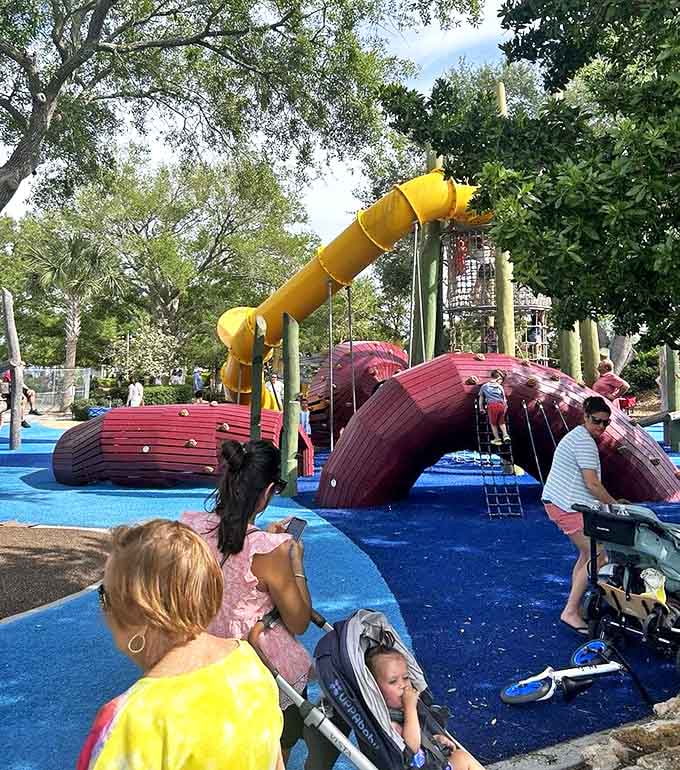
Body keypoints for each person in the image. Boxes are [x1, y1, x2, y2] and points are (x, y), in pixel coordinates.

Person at [77, 519, 284, 770]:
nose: (103, 609)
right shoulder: (251, 665)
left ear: (142, 611)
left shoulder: (131, 721)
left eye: (105, 596)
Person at [181, 440, 318, 764]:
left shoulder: (190, 525)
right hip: (257, 665)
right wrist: (294, 560)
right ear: (269, 490)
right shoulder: (273, 550)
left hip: (200, 654)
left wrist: (264, 536)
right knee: (276, 745)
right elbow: (299, 622)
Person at [541, 396, 620, 635]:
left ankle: (574, 605)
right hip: (568, 505)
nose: (601, 427)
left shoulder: (578, 436)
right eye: (597, 421)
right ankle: (571, 611)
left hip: (561, 503)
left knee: (587, 553)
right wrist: (616, 506)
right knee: (599, 555)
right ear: (585, 417)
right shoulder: (583, 442)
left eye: (606, 423)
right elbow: (592, 484)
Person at [365, 646, 484, 770]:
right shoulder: (390, 724)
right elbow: (412, 748)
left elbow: (419, 739)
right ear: (376, 689)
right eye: (393, 681)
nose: (403, 685)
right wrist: (410, 708)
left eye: (406, 678)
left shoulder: (402, 712)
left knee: (460, 756)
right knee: (463, 759)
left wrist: (434, 740)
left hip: (432, 765)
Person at [478, 370, 510, 446]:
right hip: (501, 405)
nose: (501, 382)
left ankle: (497, 439)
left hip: (492, 406)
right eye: (501, 380)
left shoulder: (484, 386)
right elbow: (504, 399)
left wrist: (481, 408)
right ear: (498, 378)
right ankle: (505, 435)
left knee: (493, 423)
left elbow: (481, 398)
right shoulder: (500, 387)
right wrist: (505, 408)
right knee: (501, 422)